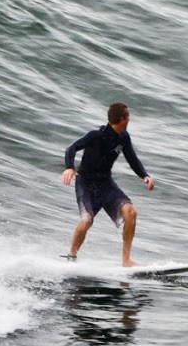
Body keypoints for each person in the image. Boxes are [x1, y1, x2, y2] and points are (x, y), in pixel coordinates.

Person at [62, 102, 155, 266]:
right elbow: (72, 148)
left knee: (131, 212)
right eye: (128, 116)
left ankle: (126, 261)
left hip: (106, 184)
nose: (130, 119)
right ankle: (71, 256)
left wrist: (144, 175)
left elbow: (132, 158)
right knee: (86, 221)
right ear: (122, 119)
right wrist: (69, 167)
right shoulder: (96, 135)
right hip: (86, 183)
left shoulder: (124, 137)